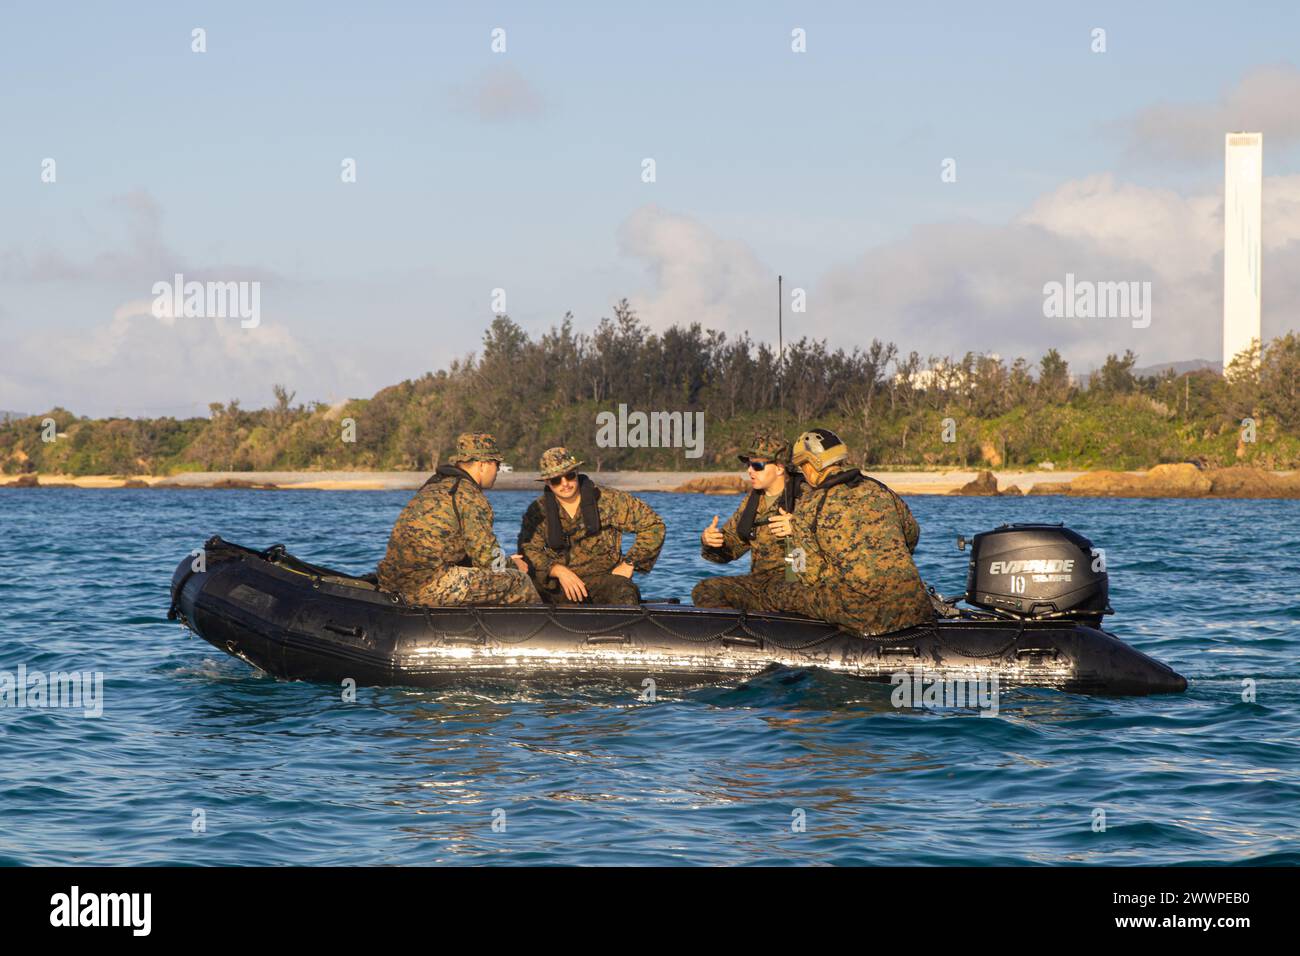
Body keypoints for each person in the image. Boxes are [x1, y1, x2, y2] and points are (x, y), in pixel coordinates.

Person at [765, 427, 932, 635]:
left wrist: (794, 532)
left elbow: (810, 577)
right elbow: (912, 534)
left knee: (777, 592)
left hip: (864, 616)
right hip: (915, 605)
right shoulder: (880, 489)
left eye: (801, 466)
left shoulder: (811, 505)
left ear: (811, 464)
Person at [376, 432, 539, 606]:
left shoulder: (432, 487)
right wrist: (514, 566)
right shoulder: (469, 495)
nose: (498, 471)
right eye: (497, 464)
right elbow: (489, 560)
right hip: (425, 587)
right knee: (519, 582)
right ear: (483, 464)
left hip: (392, 583)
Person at [518, 447, 665, 605]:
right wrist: (556, 570)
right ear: (547, 482)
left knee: (624, 590)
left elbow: (653, 525)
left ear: (577, 472)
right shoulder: (537, 511)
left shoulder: (610, 500)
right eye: (556, 480)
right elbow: (528, 550)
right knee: (521, 587)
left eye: (569, 476)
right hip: (560, 584)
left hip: (605, 581)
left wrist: (630, 563)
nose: (565, 484)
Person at [691, 434, 803, 611]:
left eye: (757, 465)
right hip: (760, 585)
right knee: (705, 589)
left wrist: (798, 527)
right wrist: (711, 542)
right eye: (748, 464)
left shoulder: (807, 497)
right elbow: (730, 549)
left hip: (796, 584)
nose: (750, 471)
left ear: (780, 468)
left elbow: (832, 543)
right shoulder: (753, 500)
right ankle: (735, 635)